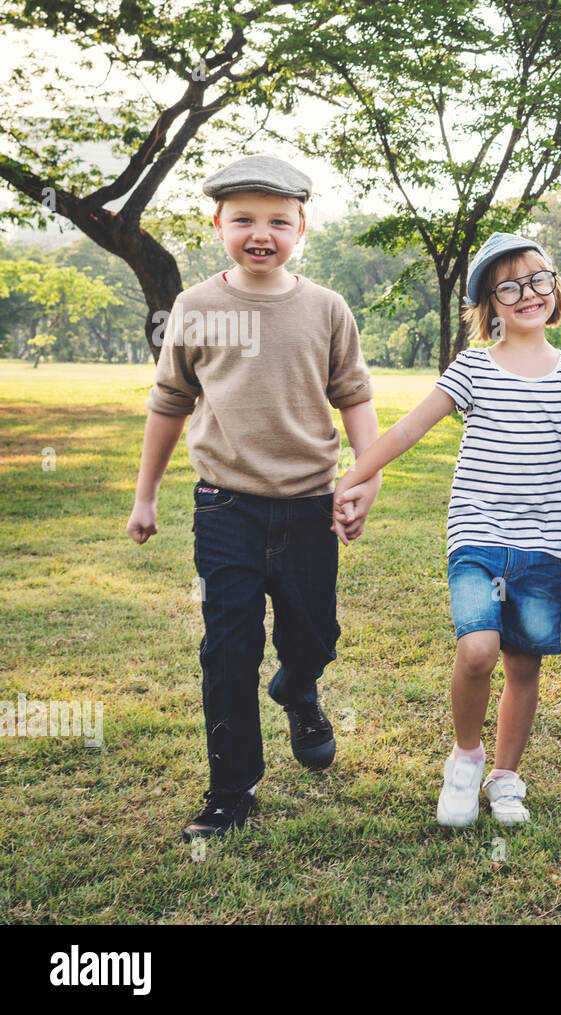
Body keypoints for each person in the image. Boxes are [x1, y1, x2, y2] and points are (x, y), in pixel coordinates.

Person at [127, 155, 382, 842]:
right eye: (243, 219)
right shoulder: (196, 307)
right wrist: (144, 495)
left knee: (314, 635)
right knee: (228, 648)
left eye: (278, 219)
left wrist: (366, 474)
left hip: (308, 507)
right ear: (217, 225)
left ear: (303, 227)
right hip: (224, 507)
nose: (260, 232)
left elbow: (354, 396)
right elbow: (169, 402)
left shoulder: (326, 308)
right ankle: (230, 790)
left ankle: (300, 687)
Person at [334, 232, 561, 827]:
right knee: (478, 649)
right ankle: (465, 758)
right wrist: (352, 477)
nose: (527, 293)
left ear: (555, 287)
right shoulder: (472, 367)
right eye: (507, 286)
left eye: (538, 279)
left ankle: (506, 778)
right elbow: (409, 429)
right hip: (478, 534)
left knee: (524, 663)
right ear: (490, 304)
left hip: (547, 541)